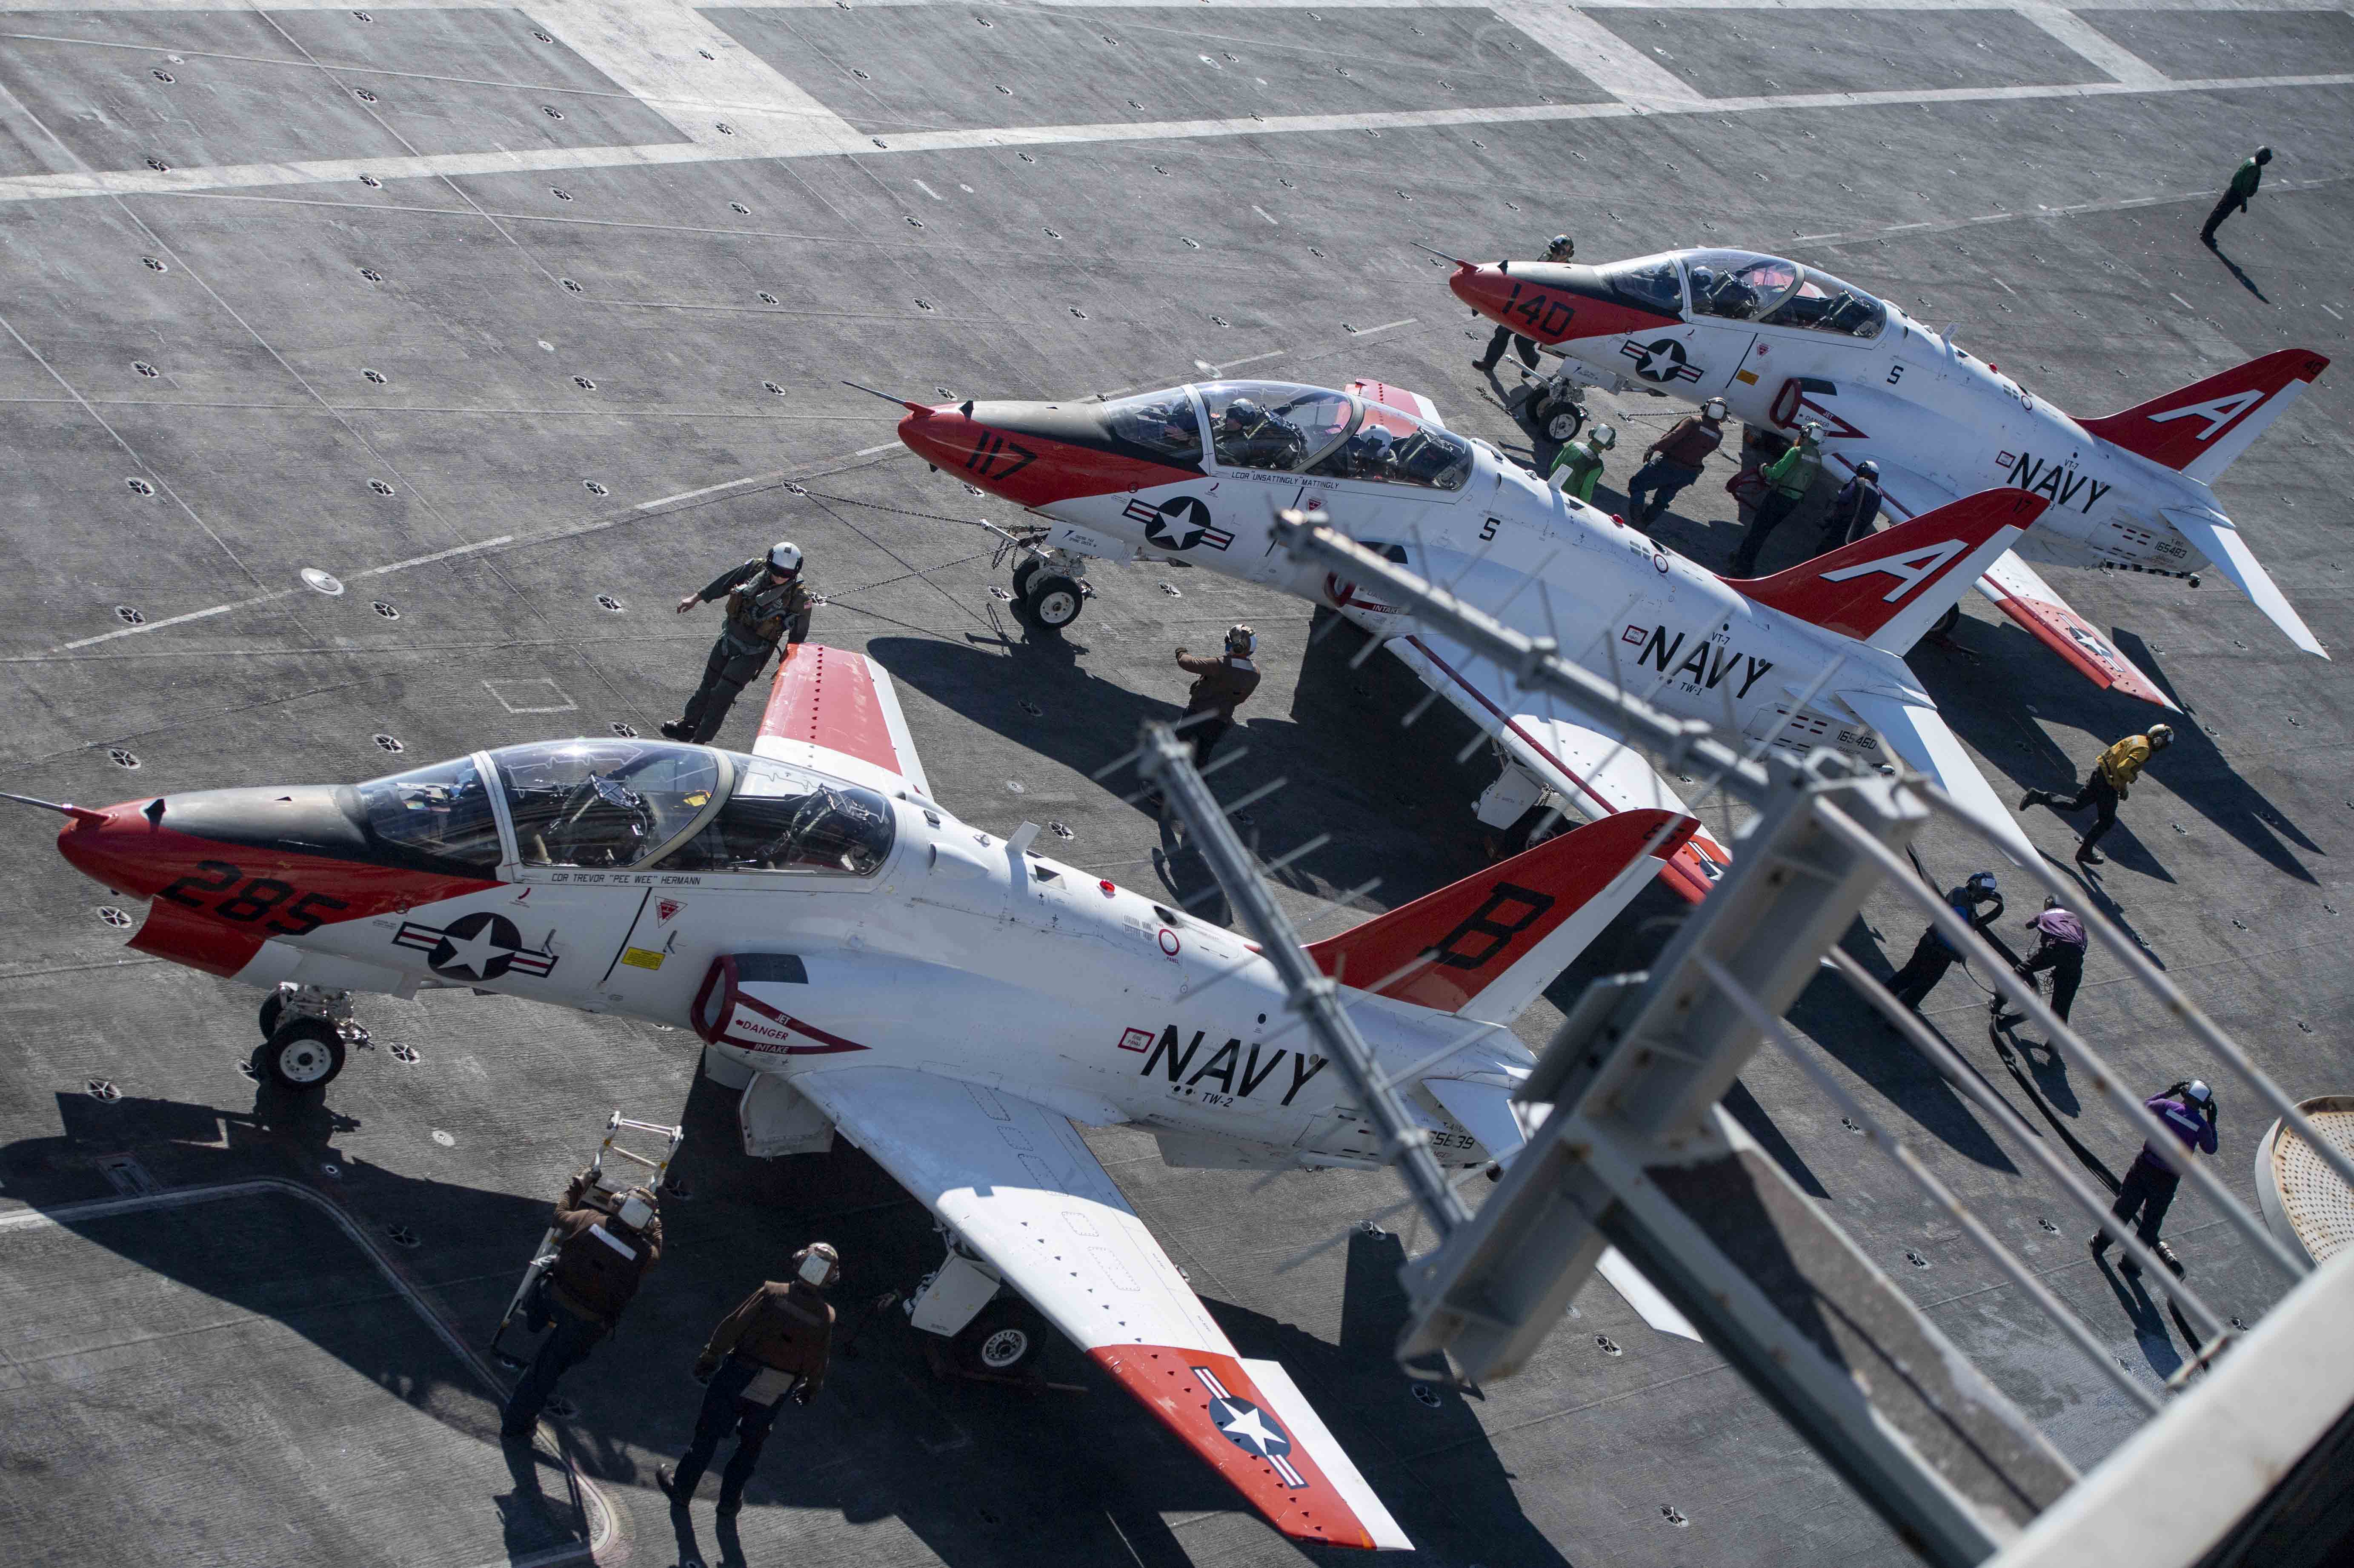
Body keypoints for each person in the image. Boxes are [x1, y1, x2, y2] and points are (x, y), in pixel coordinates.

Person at [658, 1243, 839, 1517]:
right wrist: (812, 1389)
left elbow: (735, 1325)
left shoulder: (771, 1292)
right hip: (777, 1387)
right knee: (751, 1445)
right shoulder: (826, 1317)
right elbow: (819, 1359)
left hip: (738, 1374)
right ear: (830, 1279)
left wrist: (710, 1356)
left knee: (708, 1434)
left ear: (800, 1263)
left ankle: (683, 1491)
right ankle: (729, 1503)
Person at [501, 1173, 664, 1438]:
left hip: (554, 1296)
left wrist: (580, 1183)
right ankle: (515, 1426)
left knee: (541, 1289)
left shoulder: (588, 1219)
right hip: (587, 1321)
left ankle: (535, 1321)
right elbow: (658, 1245)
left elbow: (561, 1213)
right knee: (546, 1371)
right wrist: (656, 1226)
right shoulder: (645, 1256)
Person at [662, 541, 814, 744]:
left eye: (786, 574)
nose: (780, 577)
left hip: (752, 654)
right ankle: (688, 724)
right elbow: (726, 582)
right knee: (707, 686)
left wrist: (784, 667)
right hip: (728, 639)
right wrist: (696, 598)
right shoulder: (756, 569)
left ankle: (700, 742)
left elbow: (798, 637)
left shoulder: (799, 597)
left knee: (721, 697)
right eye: (777, 571)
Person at [2092, 1080, 2217, 1277]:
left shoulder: (2167, 1107)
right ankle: (2131, 1265)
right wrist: (2212, 1122)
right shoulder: (2201, 1126)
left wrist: (2168, 1092)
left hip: (2145, 1166)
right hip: (2168, 1179)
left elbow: (2144, 1106)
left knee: (2124, 1209)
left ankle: (2099, 1245)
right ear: (2204, 1105)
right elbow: (2211, 1149)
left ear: (2184, 1092)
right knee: (2151, 1223)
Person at [2021, 724, 2174, 867]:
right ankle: (2085, 852)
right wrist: (2132, 779)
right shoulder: (2144, 750)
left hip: (2100, 774)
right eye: (2164, 742)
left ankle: (2038, 796)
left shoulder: (2138, 739)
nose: (2163, 746)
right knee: (2107, 821)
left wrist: (2123, 787)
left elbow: (2117, 760)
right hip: (2108, 784)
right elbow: (2123, 768)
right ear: (2158, 739)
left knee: (2076, 805)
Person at [1887, 870, 2003, 1010]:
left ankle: (1881, 998)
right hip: (1939, 954)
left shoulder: (1960, 894)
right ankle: (1898, 1018)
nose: (1983, 898)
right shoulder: (1962, 907)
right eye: (1982, 894)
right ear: (1974, 886)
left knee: (1909, 973)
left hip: (1928, 943)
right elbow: (1948, 937)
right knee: (1922, 986)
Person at [1728, 421, 1823, 576]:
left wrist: (1763, 468)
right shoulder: (1818, 457)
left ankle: (1743, 567)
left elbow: (1776, 473)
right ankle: (1741, 556)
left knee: (1758, 531)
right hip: (1792, 502)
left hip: (1779, 496)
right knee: (1763, 531)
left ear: (1805, 434)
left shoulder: (1796, 452)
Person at [1474, 235, 1574, 372]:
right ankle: (1489, 363)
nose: (1556, 255)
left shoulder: (1571, 272)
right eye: (1554, 250)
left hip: (1542, 312)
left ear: (1569, 254)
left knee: (1523, 342)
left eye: (1561, 252)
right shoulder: (1545, 259)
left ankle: (1533, 361)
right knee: (1502, 332)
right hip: (1526, 303)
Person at [1626, 398, 1727, 524]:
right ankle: (1642, 526)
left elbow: (1673, 436)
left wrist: (1654, 448)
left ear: (1706, 408)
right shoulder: (1719, 433)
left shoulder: (1694, 421)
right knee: (1662, 502)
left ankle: (1636, 521)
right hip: (1689, 474)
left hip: (1669, 465)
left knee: (1637, 485)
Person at [1174, 626, 1261, 768]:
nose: (1227, 643)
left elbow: (1189, 663)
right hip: (1221, 720)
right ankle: (1198, 786)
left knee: (1175, 748)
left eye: (1229, 640)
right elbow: (1241, 699)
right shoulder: (1255, 673)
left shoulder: (1221, 665)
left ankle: (1156, 788)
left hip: (1197, 713)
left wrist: (1181, 653)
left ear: (1238, 646)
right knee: (1202, 756)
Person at [2015, 896, 2088, 1023]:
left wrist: (2042, 921)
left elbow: (2028, 925)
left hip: (2057, 947)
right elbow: (2082, 945)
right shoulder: (2078, 920)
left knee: (2022, 970)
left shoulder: (2049, 913)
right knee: (2060, 1010)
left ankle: (2000, 1000)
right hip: (2076, 960)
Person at [2201, 147, 2272, 246]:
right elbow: (2245, 187)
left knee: (2219, 212)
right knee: (2221, 215)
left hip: (2233, 191)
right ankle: (2207, 235)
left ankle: (2206, 232)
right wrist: (2244, 203)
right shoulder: (2254, 168)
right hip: (2236, 195)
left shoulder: (2251, 161)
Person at [1820, 459, 1883, 552]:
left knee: (1825, 548)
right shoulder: (1879, 493)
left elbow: (1844, 498)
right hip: (1857, 531)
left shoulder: (1858, 481)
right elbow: (1872, 517)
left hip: (1843, 523)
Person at [1548, 424, 1615, 503]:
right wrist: (1585, 507)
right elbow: (1586, 490)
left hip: (1551, 490)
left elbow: (1554, 467)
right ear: (1608, 446)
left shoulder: (1573, 445)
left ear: (1592, 433)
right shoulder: (1597, 466)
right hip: (1568, 501)